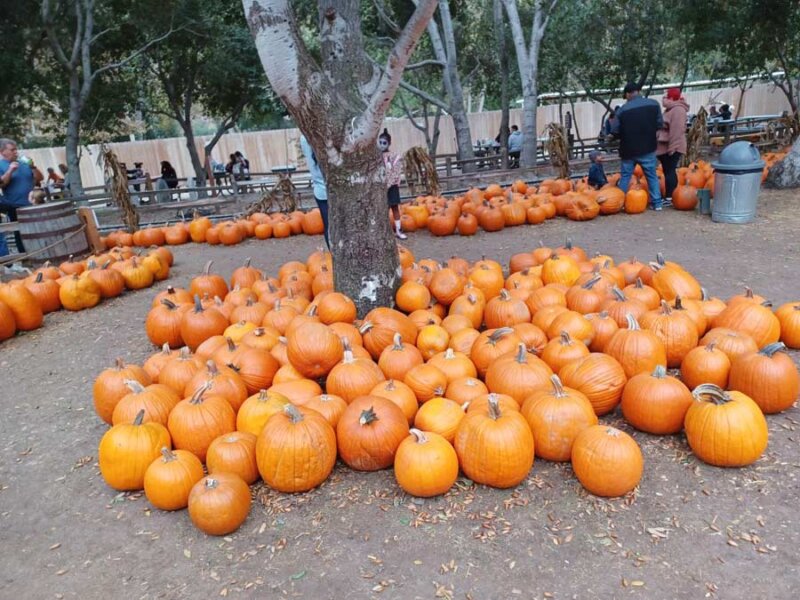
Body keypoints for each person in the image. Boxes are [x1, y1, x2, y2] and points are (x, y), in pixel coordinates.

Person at [610, 82, 664, 210]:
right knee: (651, 175)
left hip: (628, 149)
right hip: (648, 147)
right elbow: (659, 124)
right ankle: (657, 203)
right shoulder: (654, 104)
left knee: (625, 177)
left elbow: (615, 130)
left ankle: (619, 203)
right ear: (638, 91)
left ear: (628, 93)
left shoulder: (622, 110)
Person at [0, 138, 42, 256]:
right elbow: (2, 183)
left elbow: (39, 179)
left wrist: (33, 167)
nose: (16, 152)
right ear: (2, 151)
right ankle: (26, 258)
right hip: (15, 205)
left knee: (38, 229)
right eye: (12, 149)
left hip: (33, 203)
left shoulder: (24, 163)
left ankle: (40, 254)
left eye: (16, 149)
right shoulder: (1, 165)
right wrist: (10, 170)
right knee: (20, 233)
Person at [657, 87, 689, 204]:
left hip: (672, 146)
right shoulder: (672, 109)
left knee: (670, 170)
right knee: (667, 170)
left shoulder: (678, 110)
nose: (664, 99)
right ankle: (671, 195)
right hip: (665, 145)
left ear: (671, 97)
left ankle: (671, 196)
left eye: (666, 97)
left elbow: (677, 130)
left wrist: (673, 147)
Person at [300, 134, 329, 248]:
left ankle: (334, 255)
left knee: (329, 226)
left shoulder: (304, 138)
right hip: (331, 190)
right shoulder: (325, 134)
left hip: (320, 191)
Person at [378, 129, 407, 240]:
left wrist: (388, 185)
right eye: (380, 142)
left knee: (394, 208)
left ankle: (398, 230)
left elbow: (396, 172)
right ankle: (383, 232)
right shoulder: (374, 158)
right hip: (380, 187)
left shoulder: (395, 156)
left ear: (389, 144)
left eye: (384, 143)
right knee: (382, 209)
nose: (381, 145)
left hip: (392, 186)